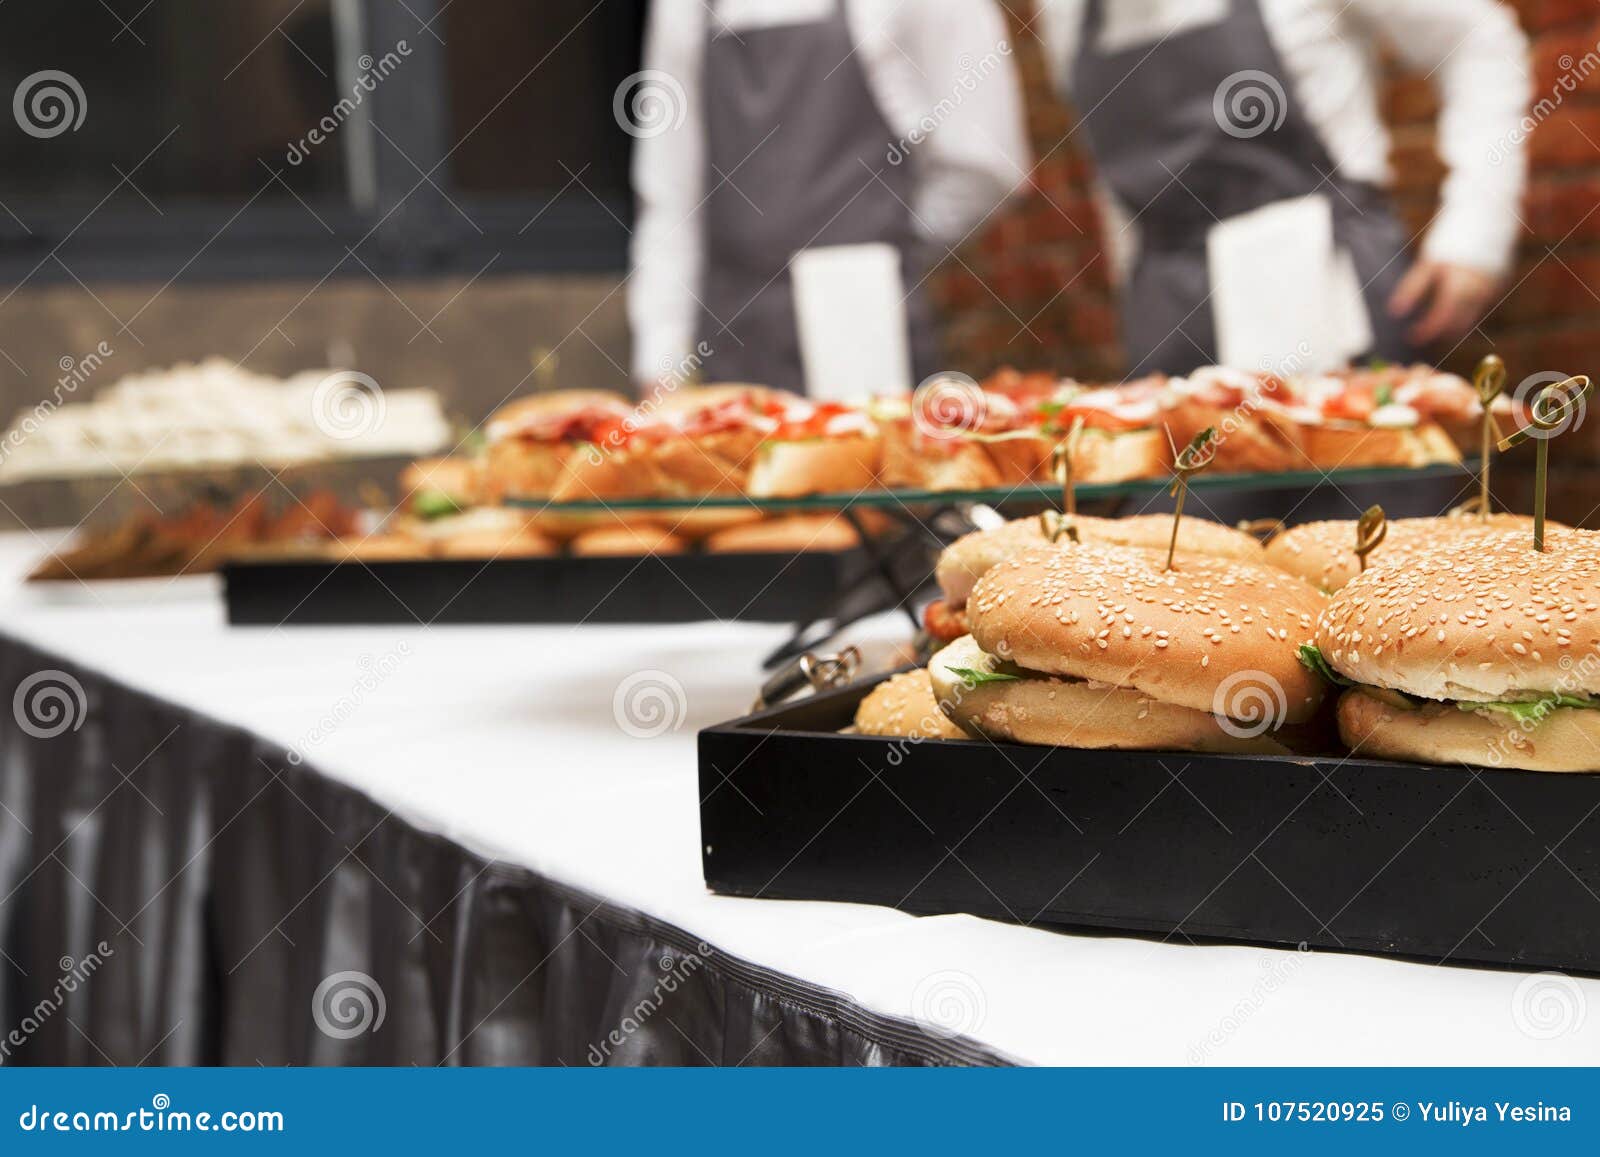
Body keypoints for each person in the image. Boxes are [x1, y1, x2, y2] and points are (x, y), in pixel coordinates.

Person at [1037, 0, 1531, 376]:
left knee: (1377, 499)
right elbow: (1111, 177)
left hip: (1334, 288)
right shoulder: (1060, 10)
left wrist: (1476, 233)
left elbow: (1477, 40)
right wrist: (1137, 298)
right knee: (1176, 510)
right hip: (1173, 311)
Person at [628, 0, 1029, 396]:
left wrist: (886, 250)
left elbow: (985, 167)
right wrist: (663, 360)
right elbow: (670, 192)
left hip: (864, 330)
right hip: (731, 332)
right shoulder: (682, 9)